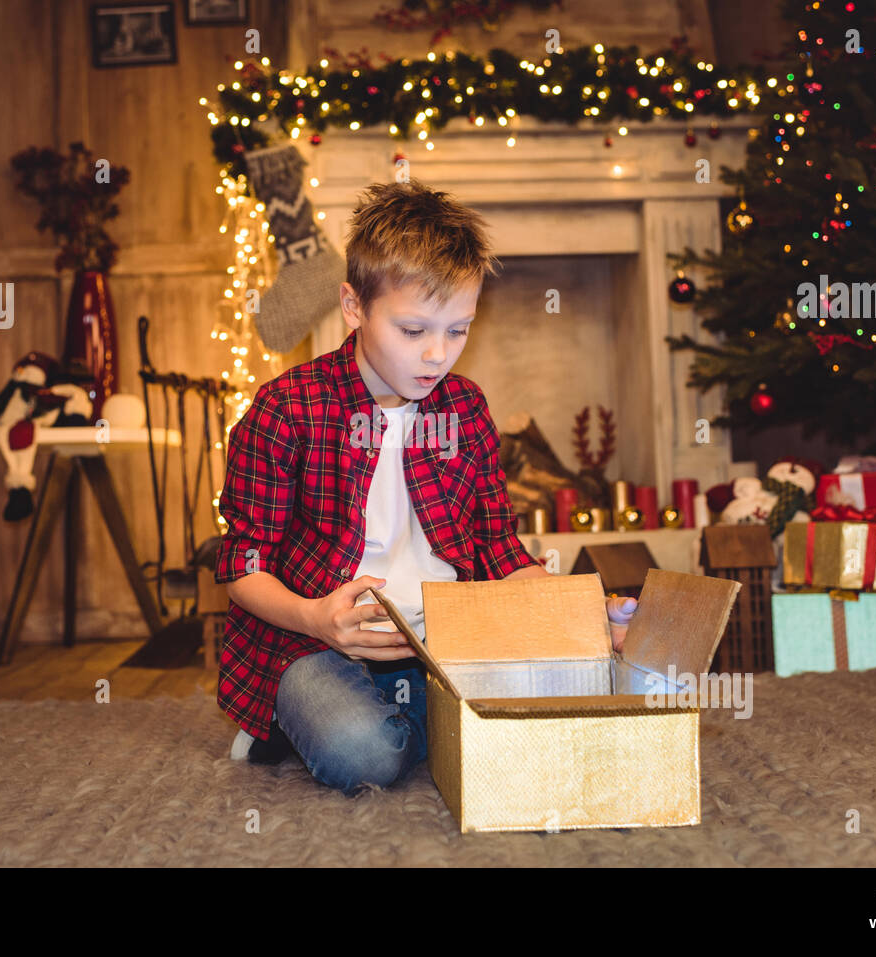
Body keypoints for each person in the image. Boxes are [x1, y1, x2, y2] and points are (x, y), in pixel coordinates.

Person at [215, 178, 638, 795]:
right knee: (361, 752)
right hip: (314, 643)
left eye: (458, 330)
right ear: (354, 306)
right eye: (414, 331)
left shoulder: (464, 408)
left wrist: (579, 615)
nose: (438, 355)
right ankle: (355, 722)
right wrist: (313, 617)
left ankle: (433, 718)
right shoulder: (287, 407)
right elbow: (242, 560)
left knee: (559, 683)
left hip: (446, 638)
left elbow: (498, 550)